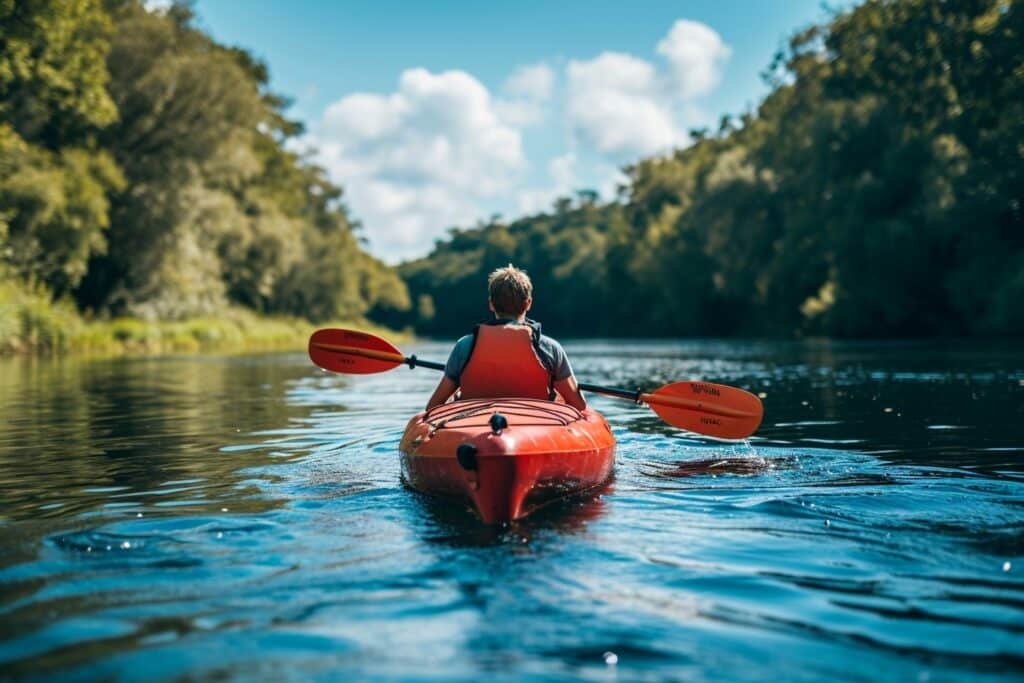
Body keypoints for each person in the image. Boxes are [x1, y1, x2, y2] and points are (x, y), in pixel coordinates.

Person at [425, 265, 587, 411]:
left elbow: (434, 406)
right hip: (536, 426)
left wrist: (457, 399)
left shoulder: (465, 346)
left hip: (473, 427)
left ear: (491, 304)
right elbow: (578, 405)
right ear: (528, 303)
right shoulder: (549, 348)